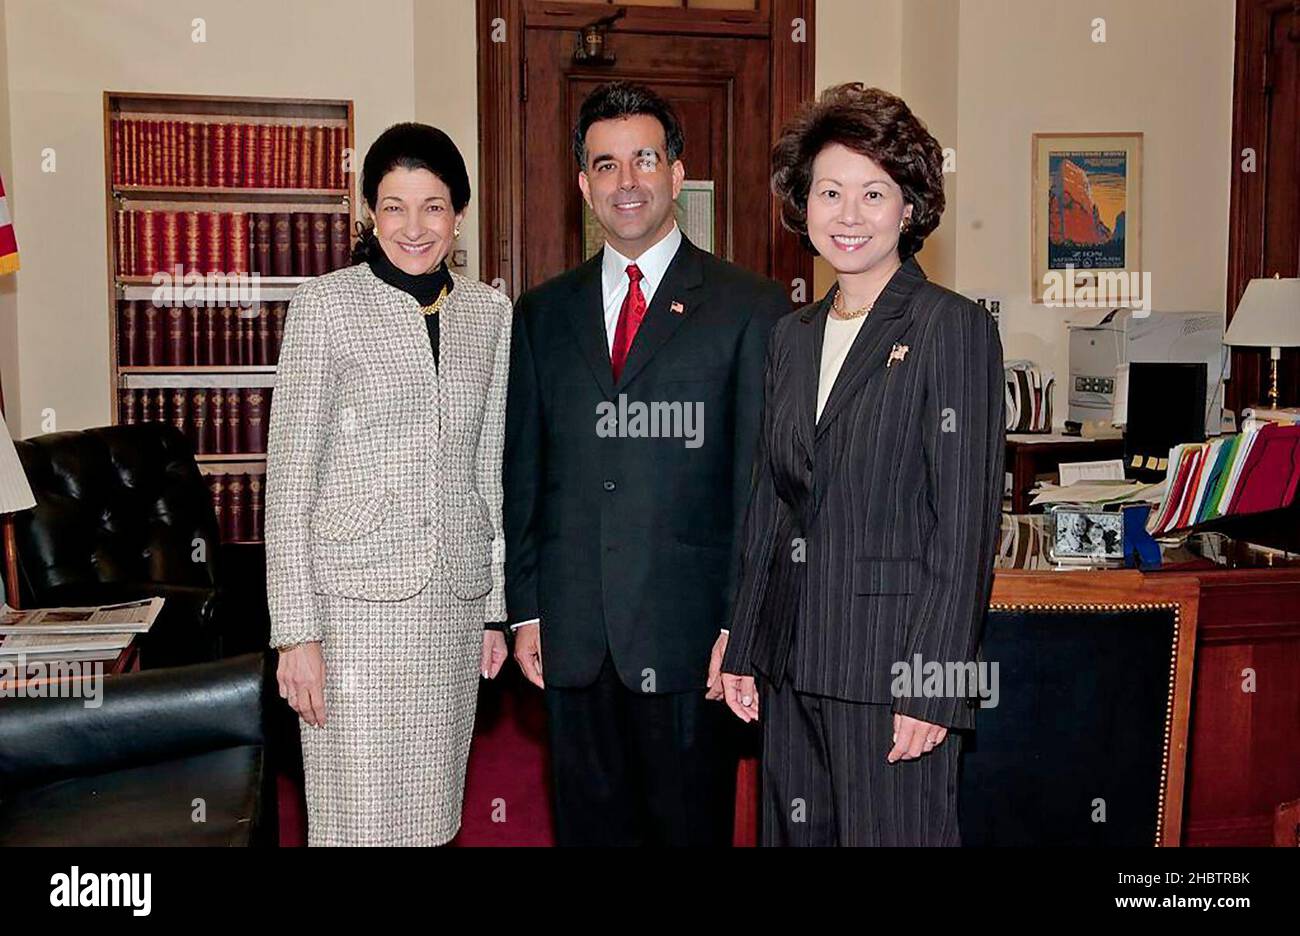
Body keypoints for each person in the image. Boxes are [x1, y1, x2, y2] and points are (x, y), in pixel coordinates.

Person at [719, 84, 1005, 846]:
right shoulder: (791, 336)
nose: (848, 215)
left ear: (908, 208)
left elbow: (966, 528)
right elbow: (772, 507)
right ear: (803, 206)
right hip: (789, 665)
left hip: (894, 677)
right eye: (830, 192)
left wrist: (937, 687)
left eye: (873, 193)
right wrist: (743, 645)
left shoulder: (954, 329)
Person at [504, 81, 789, 846]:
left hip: (691, 639)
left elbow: (757, 488)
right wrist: (526, 608)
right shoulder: (539, 313)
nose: (625, 182)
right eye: (605, 164)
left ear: (675, 172)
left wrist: (742, 622)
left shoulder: (749, 307)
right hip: (573, 633)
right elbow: (524, 473)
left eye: (643, 160)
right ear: (582, 185)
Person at [266, 123, 512, 846]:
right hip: (349, 614)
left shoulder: (490, 314)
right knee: (354, 821)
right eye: (395, 205)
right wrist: (295, 634)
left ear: (458, 215)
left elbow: (489, 469)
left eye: (433, 206)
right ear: (369, 211)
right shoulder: (325, 306)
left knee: (434, 818)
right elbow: (287, 485)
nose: (414, 226)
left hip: (453, 609)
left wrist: (494, 608)